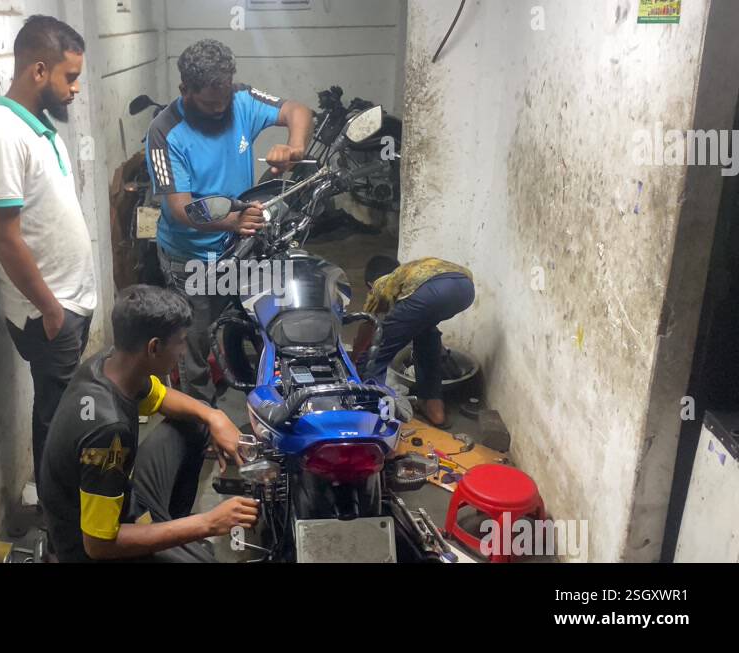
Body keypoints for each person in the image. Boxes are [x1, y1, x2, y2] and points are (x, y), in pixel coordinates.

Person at [145, 38, 314, 405]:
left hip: (240, 245)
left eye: (224, 98)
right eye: (209, 102)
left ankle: (259, 399)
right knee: (192, 346)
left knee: (249, 319)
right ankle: (201, 424)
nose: (220, 108)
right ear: (184, 90)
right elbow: (181, 208)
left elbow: (298, 111)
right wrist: (233, 221)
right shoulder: (164, 132)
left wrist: (294, 148)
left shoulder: (239, 100)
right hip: (191, 257)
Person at [39, 285, 260, 563]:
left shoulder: (109, 364)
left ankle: (170, 530)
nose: (183, 351)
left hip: (123, 499)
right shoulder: (108, 431)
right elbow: (98, 545)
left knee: (198, 421)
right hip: (89, 549)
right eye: (179, 342)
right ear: (153, 347)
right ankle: (171, 540)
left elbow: (162, 396)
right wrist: (207, 524)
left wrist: (215, 416)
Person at [0, 15, 96, 489]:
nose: (76, 89)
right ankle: (58, 517)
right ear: (38, 71)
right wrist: (50, 308)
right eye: (70, 77)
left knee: (60, 411)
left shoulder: (36, 126)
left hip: (66, 302)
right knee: (57, 420)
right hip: (49, 311)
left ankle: (61, 504)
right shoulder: (2, 135)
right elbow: (4, 236)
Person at [352, 256, 475, 428]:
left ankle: (369, 413)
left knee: (376, 353)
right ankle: (433, 407)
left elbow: (369, 326)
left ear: (370, 284)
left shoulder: (382, 283)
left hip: (432, 292)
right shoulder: (412, 273)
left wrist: (355, 360)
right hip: (466, 289)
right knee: (426, 334)